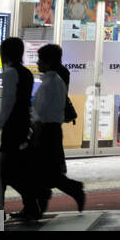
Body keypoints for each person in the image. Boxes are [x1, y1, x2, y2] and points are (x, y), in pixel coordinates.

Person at [0, 37, 40, 221]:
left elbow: (7, 103)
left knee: (1, 171)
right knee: (14, 170)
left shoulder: (10, 73)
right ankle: (32, 206)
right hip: (23, 125)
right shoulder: (27, 73)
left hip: (12, 128)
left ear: (5, 53)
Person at [31, 44, 86, 214]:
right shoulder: (54, 79)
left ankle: (71, 189)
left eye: (40, 60)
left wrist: (35, 125)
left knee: (44, 172)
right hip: (50, 129)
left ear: (47, 62)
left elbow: (44, 109)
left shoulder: (52, 82)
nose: (37, 63)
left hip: (46, 130)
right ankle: (38, 205)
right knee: (45, 171)